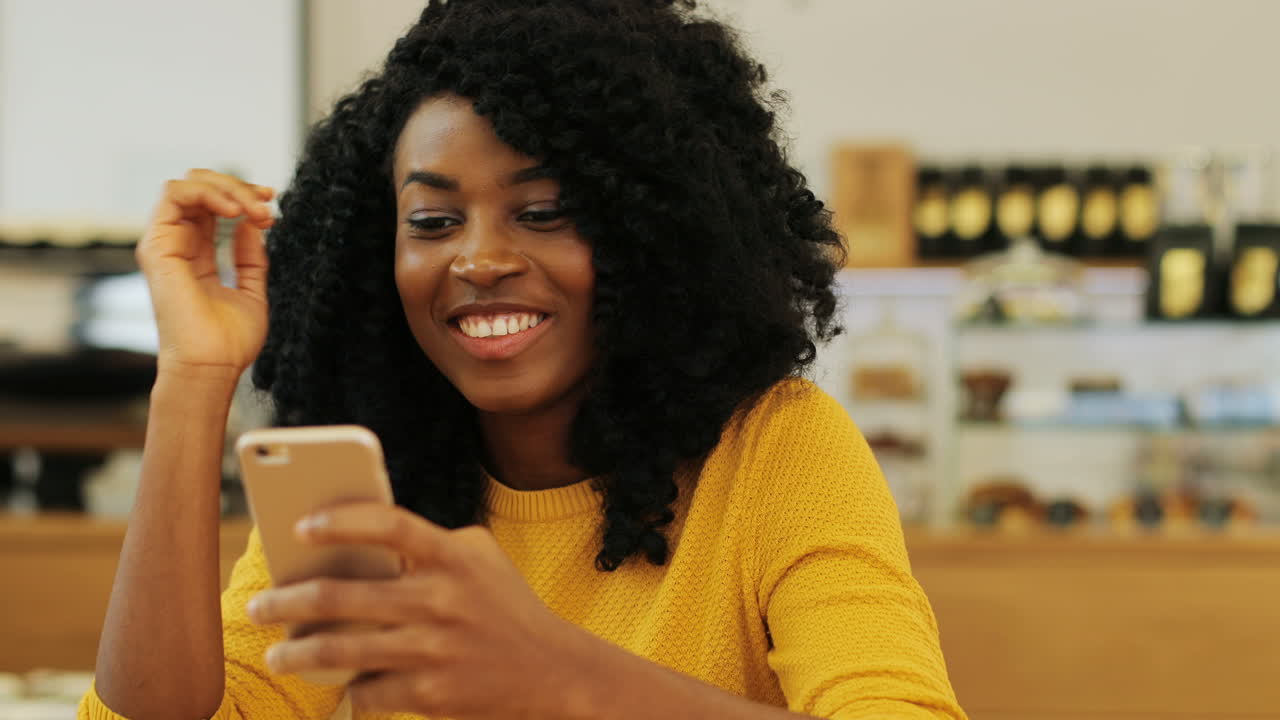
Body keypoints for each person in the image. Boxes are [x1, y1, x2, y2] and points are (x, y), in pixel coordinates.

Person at [81, 1, 966, 718]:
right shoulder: (368, 478)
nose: (478, 260)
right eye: (431, 222)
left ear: (653, 234)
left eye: (543, 211)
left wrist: (564, 678)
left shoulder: (775, 451)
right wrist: (193, 378)